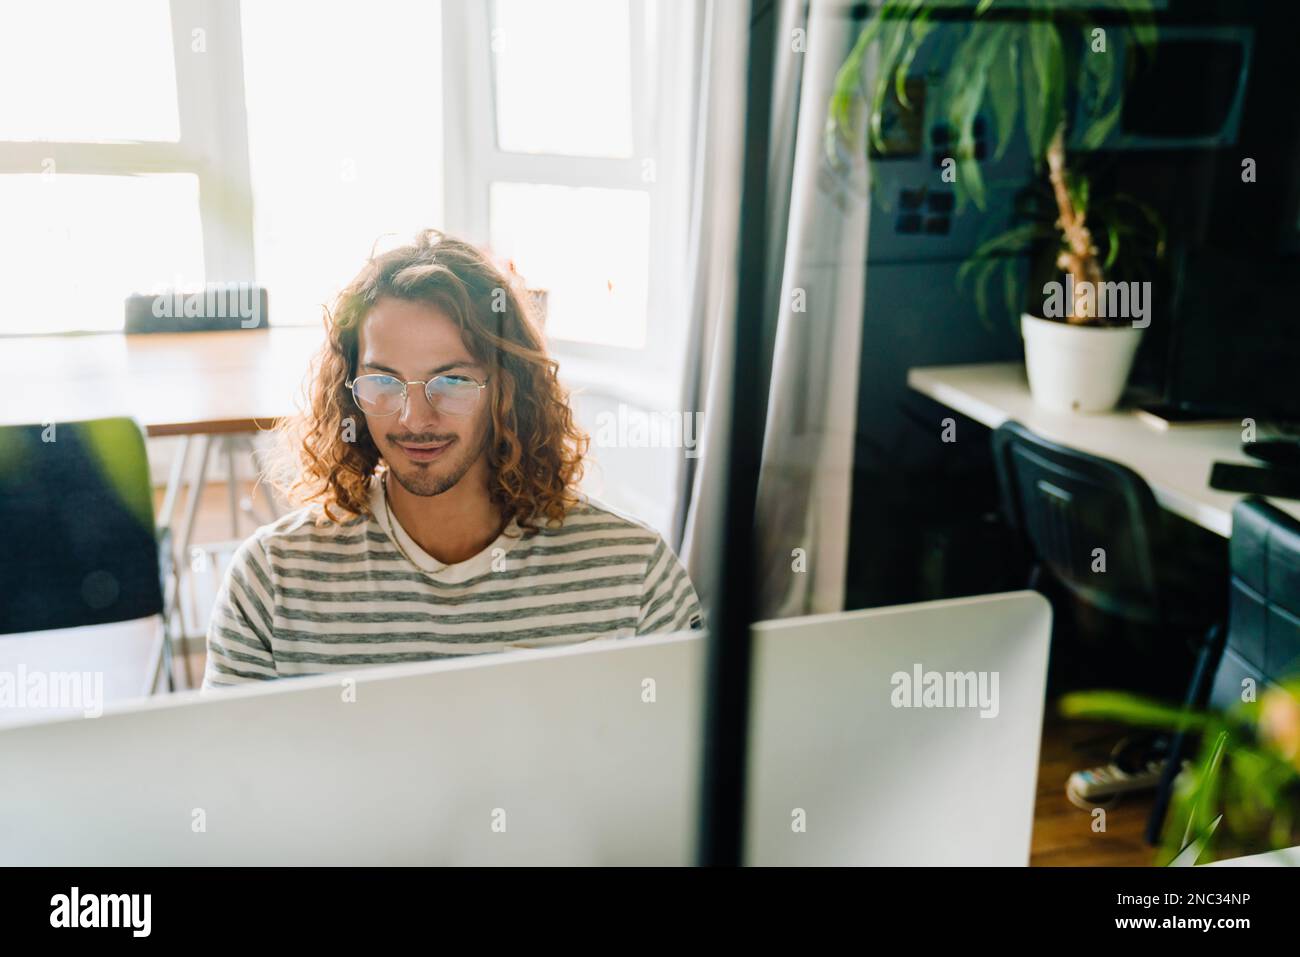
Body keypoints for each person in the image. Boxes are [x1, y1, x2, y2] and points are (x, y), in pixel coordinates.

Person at [202, 230, 702, 689]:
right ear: (352, 391)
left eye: (454, 381)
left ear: (507, 387)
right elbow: (230, 777)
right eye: (383, 382)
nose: (415, 417)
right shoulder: (271, 582)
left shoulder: (635, 575)